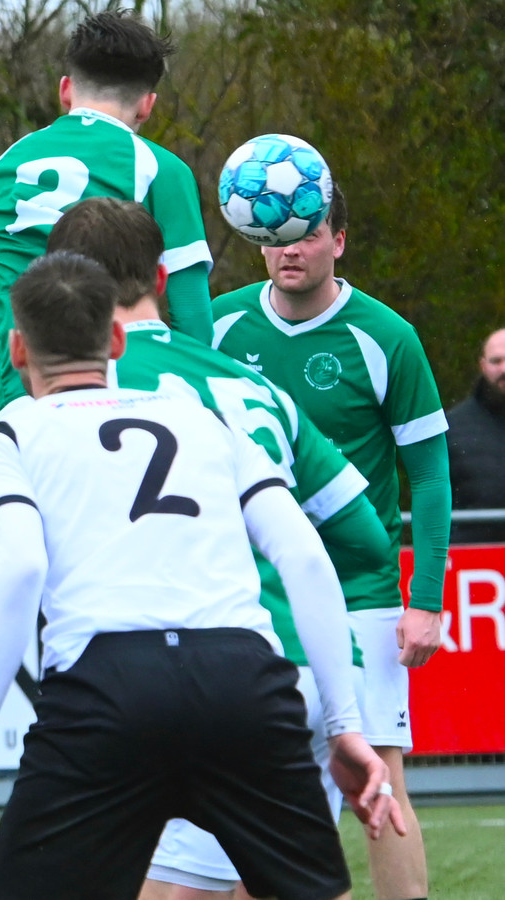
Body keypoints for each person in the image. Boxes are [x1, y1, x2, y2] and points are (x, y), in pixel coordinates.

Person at [0, 250, 402, 900]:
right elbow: (306, 557)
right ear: (115, 338)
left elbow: (22, 564)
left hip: (105, 689)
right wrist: (344, 725)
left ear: (16, 349)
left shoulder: (1, 440)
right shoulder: (205, 422)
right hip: (241, 683)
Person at [42, 197, 389, 899]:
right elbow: (365, 535)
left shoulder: (78, 389)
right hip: (315, 673)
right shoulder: (251, 383)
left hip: (203, 670)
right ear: (164, 279)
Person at [213, 184, 449, 900]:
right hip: (250, 594)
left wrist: (427, 600)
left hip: (360, 593)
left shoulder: (385, 336)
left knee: (379, 780)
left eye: (307, 232)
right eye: (276, 234)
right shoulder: (217, 327)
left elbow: (429, 475)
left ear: (337, 241)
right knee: (248, 789)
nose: (290, 247)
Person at [0, 8, 213, 417]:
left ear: (66, 90)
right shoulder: (159, 169)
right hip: (121, 407)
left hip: (21, 412)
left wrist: (23, 349)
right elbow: (195, 331)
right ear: (147, 105)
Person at [446, 328, 505, 543]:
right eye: (496, 361)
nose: (503, 368)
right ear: (482, 365)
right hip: (472, 561)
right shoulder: (451, 426)